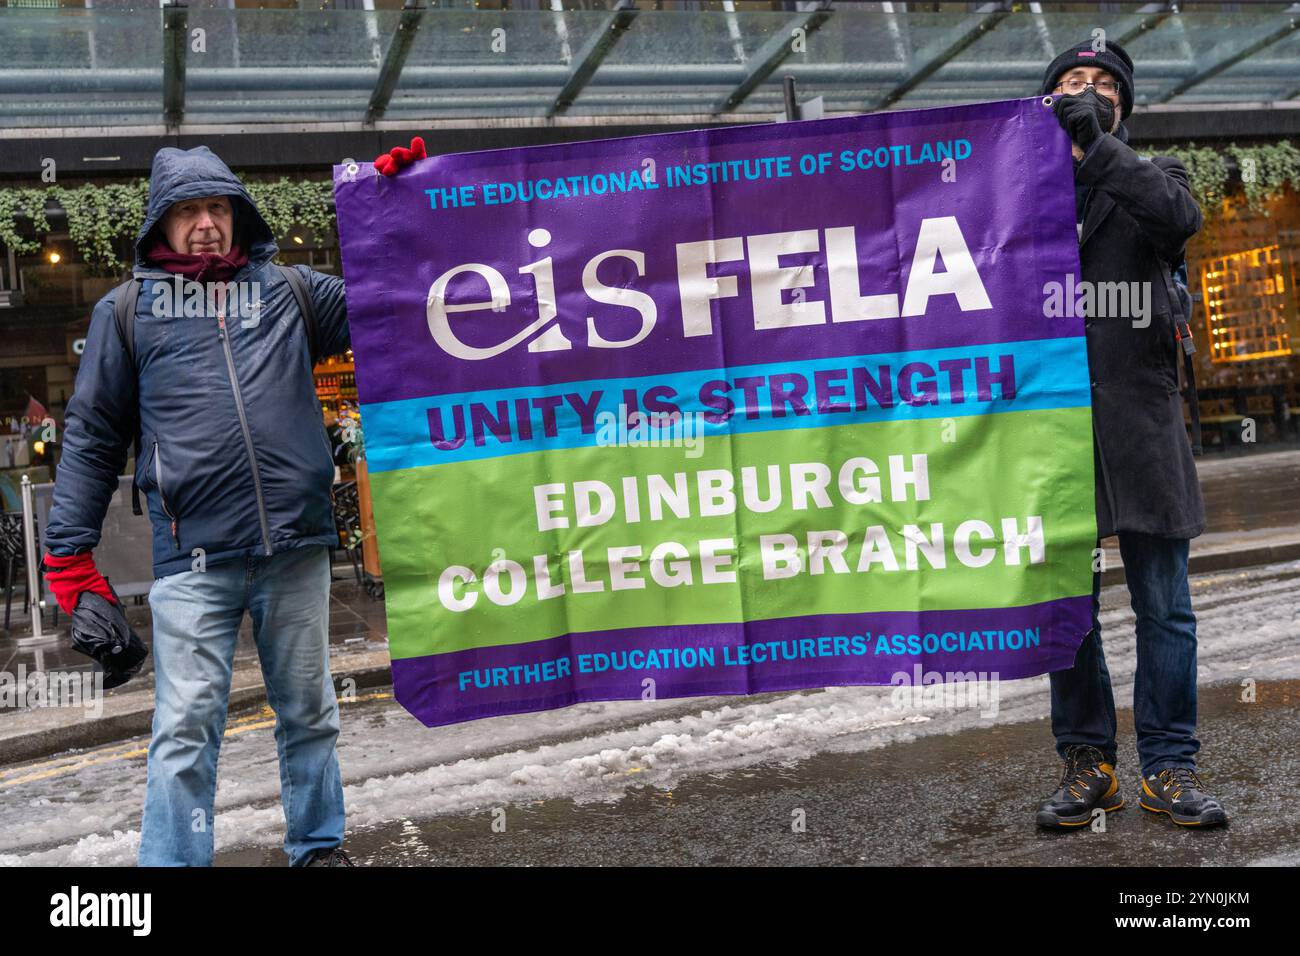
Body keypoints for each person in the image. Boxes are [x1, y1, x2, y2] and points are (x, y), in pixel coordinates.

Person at [41, 139, 422, 866]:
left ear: (238, 215)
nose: (206, 223)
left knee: (310, 714)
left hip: (297, 548)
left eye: (217, 206)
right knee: (185, 729)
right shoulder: (125, 312)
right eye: (188, 211)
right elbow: (91, 439)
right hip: (193, 559)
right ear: (162, 225)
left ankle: (318, 848)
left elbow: (390, 300)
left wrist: (391, 205)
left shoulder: (294, 292)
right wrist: (67, 557)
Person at [1033, 41, 1227, 829]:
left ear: (1125, 107)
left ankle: (1170, 767)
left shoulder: (1159, 174)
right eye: (1074, 83)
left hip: (1141, 423)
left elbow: (1178, 221)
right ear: (1047, 100)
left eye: (1106, 85)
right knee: (1066, 607)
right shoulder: (1019, 187)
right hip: (1047, 428)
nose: (1090, 90)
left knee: (1164, 606)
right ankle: (1090, 765)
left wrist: (1101, 147)